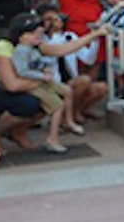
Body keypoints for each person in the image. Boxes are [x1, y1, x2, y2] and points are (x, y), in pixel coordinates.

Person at [10, 14, 80, 154]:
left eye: (38, 33)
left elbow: (38, 63)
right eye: (32, 33)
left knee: (67, 90)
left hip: (41, 79)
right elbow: (22, 71)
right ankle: (52, 138)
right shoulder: (21, 50)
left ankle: (68, 120)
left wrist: (44, 69)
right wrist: (42, 75)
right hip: (32, 83)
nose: (37, 36)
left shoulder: (34, 49)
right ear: (21, 36)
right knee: (57, 105)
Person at [36, 3, 107, 124]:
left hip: (70, 82)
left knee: (101, 88)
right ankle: (64, 117)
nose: (55, 22)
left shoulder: (69, 36)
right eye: (49, 19)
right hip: (51, 84)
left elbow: (88, 59)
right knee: (83, 80)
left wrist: (94, 39)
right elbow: (59, 49)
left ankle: (73, 113)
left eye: (56, 18)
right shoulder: (40, 40)